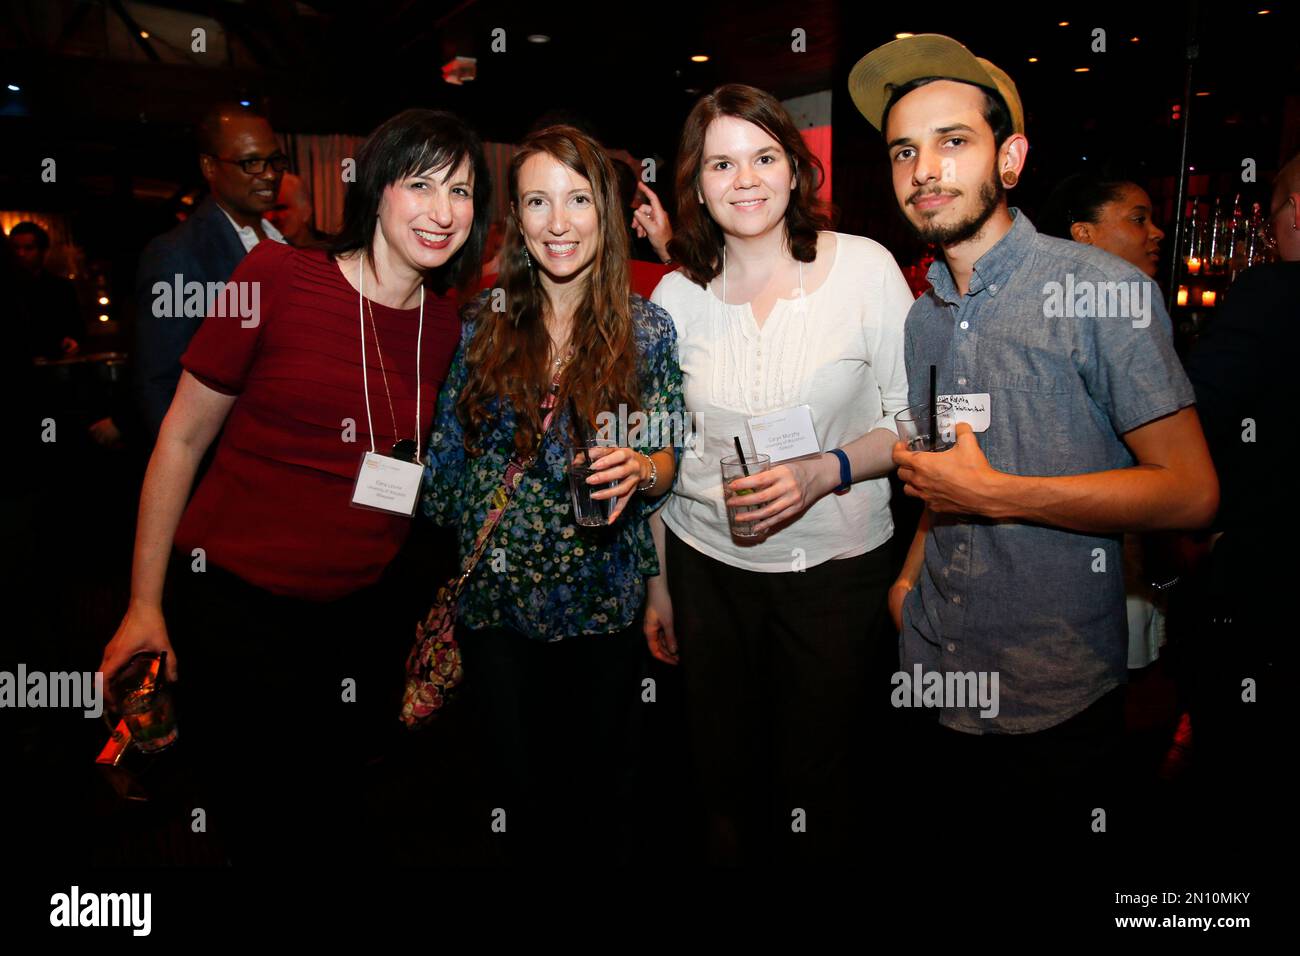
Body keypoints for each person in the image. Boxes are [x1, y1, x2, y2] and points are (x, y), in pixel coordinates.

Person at [849, 34, 1218, 849]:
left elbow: (1192, 491)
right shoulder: (925, 315)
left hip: (1053, 696)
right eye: (904, 151)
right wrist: (905, 590)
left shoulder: (1104, 292)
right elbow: (946, 479)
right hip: (932, 671)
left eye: (953, 142)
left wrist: (998, 496)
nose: (924, 170)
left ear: (1009, 160)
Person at [99, 108, 490, 864]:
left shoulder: (447, 328)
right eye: (422, 185)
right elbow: (179, 439)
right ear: (376, 190)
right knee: (249, 817)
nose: (444, 212)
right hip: (238, 608)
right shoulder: (275, 277)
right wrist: (144, 604)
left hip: (360, 622)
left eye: (463, 191)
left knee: (335, 814)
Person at [647, 83, 913, 863]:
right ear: (696, 184)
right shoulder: (675, 295)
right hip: (707, 569)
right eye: (722, 164)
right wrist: (659, 585)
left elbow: (912, 425)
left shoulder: (865, 269)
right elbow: (667, 452)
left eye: (764, 157)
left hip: (836, 571)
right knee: (720, 774)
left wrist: (826, 470)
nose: (747, 179)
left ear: (796, 170)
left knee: (819, 777)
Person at [422, 125, 683, 863]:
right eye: (537, 201)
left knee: (605, 796)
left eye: (576, 200)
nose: (558, 223)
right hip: (496, 612)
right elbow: (444, 471)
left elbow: (668, 462)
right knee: (513, 795)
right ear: (516, 217)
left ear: (604, 209)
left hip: (603, 601)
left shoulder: (645, 329)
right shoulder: (484, 322)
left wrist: (643, 473)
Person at [1179, 152, 1297, 835]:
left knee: (1240, 759)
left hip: (1268, 569)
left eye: (1273, 213)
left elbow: (1193, 413)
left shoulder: (1271, 292)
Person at [1040, 170, 1174, 670]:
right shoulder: (1123, 296)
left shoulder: (1120, 299)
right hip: (1099, 542)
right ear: (1083, 233)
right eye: (1138, 219)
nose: (1156, 232)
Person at [133, 102, 288, 439]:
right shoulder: (178, 254)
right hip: (224, 464)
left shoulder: (286, 245)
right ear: (209, 166)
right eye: (251, 163)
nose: (269, 174)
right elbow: (161, 383)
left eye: (275, 161)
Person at [9, 221, 84, 360]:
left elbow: (76, 327)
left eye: (28, 248)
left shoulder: (61, 288)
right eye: (16, 248)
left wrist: (73, 341)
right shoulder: (8, 289)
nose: (21, 254)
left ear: (43, 251)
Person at [266, 172, 328, 247]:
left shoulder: (334, 251)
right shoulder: (263, 253)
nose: (269, 217)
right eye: (265, 210)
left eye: (280, 208)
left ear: (306, 211)